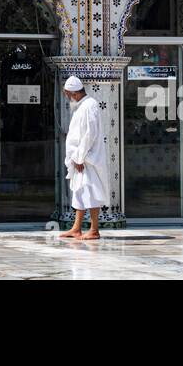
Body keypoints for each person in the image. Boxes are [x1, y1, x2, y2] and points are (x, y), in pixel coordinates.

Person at [60, 75, 108, 241]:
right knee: (80, 192)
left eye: (68, 94)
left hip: (88, 159)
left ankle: (94, 229)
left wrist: (80, 158)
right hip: (81, 158)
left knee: (90, 192)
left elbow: (90, 134)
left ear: (74, 93)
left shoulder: (89, 106)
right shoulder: (82, 106)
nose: (67, 98)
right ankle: (77, 228)